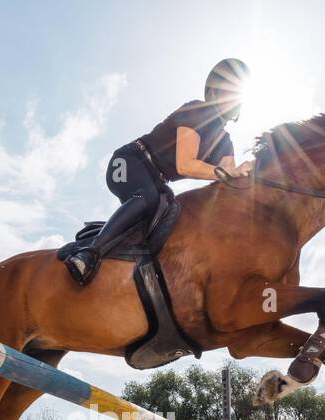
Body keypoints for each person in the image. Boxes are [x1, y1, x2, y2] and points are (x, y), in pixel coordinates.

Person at [64, 58, 253, 286]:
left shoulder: (225, 142)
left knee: (173, 212)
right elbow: (186, 164)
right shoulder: (197, 110)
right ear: (214, 91)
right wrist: (230, 173)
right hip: (128, 162)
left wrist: (251, 171)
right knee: (147, 198)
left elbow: (228, 178)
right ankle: (89, 253)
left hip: (157, 179)